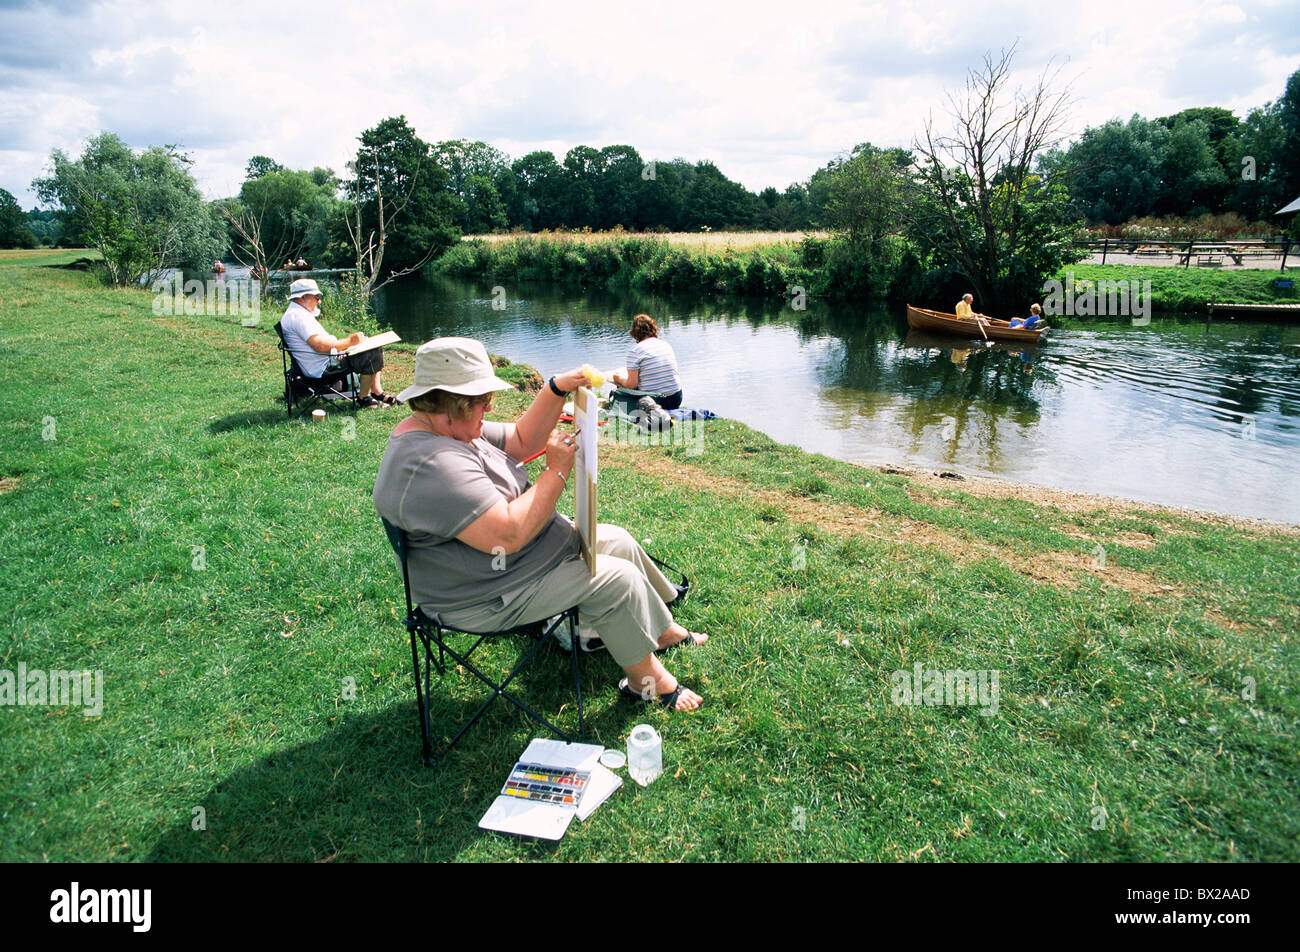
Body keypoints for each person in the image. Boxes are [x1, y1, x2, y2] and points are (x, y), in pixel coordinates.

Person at [372, 338, 707, 711]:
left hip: (510, 568)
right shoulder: (432, 462)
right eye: (481, 399)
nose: (489, 406)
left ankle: (658, 631)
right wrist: (556, 472)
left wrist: (556, 388)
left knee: (618, 540)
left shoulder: (447, 427)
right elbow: (509, 533)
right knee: (616, 580)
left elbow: (520, 439)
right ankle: (648, 683)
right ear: (452, 403)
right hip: (484, 594)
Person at [278, 278, 395, 409]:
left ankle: (376, 391)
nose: (319, 301)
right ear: (301, 298)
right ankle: (364, 398)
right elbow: (321, 346)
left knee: (371, 345)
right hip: (323, 369)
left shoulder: (297, 313)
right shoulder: (297, 317)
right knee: (371, 352)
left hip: (325, 362)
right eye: (316, 297)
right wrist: (350, 341)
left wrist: (349, 344)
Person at [611, 314, 683, 411]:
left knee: (620, 388)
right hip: (676, 398)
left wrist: (618, 379)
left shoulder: (635, 351)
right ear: (653, 328)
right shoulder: (665, 344)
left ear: (634, 333)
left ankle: (623, 411)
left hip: (654, 402)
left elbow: (632, 385)